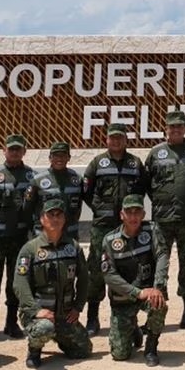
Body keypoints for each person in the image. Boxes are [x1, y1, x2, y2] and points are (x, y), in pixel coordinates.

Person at [145, 110, 185, 332]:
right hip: (161, 220)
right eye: (172, 127)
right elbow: (147, 184)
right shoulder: (156, 153)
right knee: (158, 265)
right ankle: (155, 315)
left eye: (179, 126)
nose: (176, 130)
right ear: (166, 129)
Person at [81, 122, 147, 335]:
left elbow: (141, 190)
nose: (116, 141)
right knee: (97, 269)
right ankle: (92, 317)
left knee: (127, 268)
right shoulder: (97, 163)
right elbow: (86, 191)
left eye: (120, 137)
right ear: (107, 139)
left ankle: (127, 317)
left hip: (126, 226)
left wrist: (131, 214)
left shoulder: (135, 164)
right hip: (102, 225)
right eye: (113, 137)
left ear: (126, 140)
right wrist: (100, 209)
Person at [13, 199, 91, 369]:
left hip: (64, 315)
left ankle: (59, 336)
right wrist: (36, 310)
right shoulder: (30, 249)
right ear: (42, 219)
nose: (55, 219)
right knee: (44, 328)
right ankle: (34, 351)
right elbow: (20, 284)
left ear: (64, 219)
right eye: (50, 215)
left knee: (83, 350)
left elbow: (84, 279)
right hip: (38, 315)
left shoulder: (73, 247)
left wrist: (78, 307)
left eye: (59, 215)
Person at [100, 194, 168, 366]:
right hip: (123, 298)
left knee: (159, 304)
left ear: (143, 214)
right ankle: (133, 329)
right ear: (121, 215)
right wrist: (137, 292)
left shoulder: (152, 230)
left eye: (137, 212)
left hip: (148, 293)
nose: (133, 217)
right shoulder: (110, 240)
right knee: (120, 354)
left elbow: (162, 255)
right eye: (129, 212)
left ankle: (151, 347)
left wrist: (158, 286)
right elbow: (109, 275)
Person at [0, 133, 35, 341]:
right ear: (4, 151)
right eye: (11, 149)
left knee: (16, 280)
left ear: (24, 152)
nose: (14, 152)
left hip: (19, 238)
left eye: (18, 149)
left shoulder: (31, 177)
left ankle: (11, 323)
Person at [22, 141, 84, 240]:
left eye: (63, 155)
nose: (59, 159)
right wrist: (35, 228)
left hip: (69, 233)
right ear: (50, 158)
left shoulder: (77, 179)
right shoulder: (37, 180)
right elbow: (27, 209)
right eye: (56, 156)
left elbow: (79, 205)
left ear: (68, 158)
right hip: (44, 235)